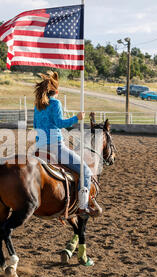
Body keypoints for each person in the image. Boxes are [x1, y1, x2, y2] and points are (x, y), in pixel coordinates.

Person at [33, 71, 101, 217]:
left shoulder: (37, 105)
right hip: (55, 147)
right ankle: (83, 207)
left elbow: (35, 125)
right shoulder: (56, 103)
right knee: (86, 171)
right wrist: (77, 118)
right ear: (56, 91)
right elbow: (59, 123)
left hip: (39, 148)